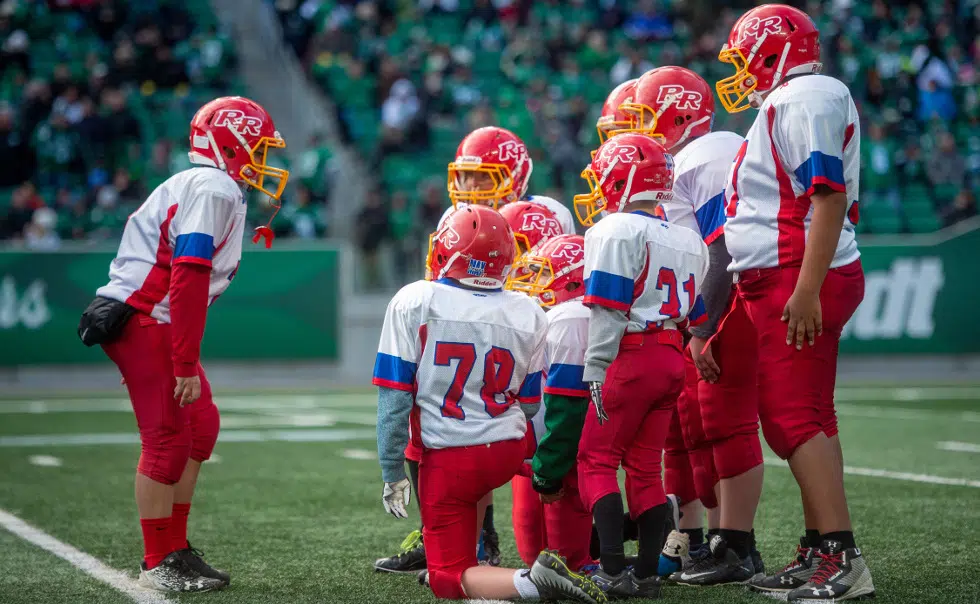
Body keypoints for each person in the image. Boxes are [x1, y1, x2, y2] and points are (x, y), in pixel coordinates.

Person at [80, 96, 289, 592]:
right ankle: (159, 561)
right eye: (257, 147)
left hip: (155, 317)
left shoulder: (212, 185)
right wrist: (185, 362)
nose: (264, 159)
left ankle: (174, 547)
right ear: (231, 143)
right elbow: (189, 274)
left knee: (200, 427)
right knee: (169, 440)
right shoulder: (212, 187)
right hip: (145, 316)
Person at [716, 5, 874, 601]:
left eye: (746, 58)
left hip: (796, 273)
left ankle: (841, 557)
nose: (742, 72)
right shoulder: (798, 97)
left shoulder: (806, 96)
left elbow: (826, 196)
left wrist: (806, 289)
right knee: (808, 414)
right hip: (784, 273)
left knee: (792, 419)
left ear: (773, 51)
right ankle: (818, 548)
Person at [373, 205, 605, 604]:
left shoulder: (416, 299)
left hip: (449, 458)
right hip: (506, 450)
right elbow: (531, 403)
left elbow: (395, 397)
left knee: (444, 577)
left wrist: (393, 470)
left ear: (448, 251)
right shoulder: (528, 310)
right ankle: (484, 567)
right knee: (466, 546)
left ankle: (535, 581)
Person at [620, 65, 766, 584]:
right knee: (693, 433)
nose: (639, 126)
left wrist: (704, 326)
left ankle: (738, 545)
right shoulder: (681, 160)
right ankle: (715, 542)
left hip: (724, 306)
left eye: (646, 115)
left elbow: (722, 244)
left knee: (725, 423)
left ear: (679, 112)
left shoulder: (707, 152)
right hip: (698, 313)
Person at [573, 133, 709, 599]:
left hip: (631, 355)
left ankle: (611, 569)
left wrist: (596, 365)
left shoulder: (615, 231)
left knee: (595, 461)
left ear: (624, 179)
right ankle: (647, 574)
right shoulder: (689, 238)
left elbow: (609, 308)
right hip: (672, 355)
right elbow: (701, 315)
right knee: (647, 471)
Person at [506, 234, 596, 573]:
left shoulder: (571, 319)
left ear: (573, 278)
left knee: (569, 560)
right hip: (551, 444)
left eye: (543, 274)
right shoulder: (552, 318)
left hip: (571, 441)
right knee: (534, 557)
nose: (533, 282)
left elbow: (566, 408)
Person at [439, 126, 575, 234]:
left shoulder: (548, 215)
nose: (472, 185)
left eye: (485, 176)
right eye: (467, 175)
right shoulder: (453, 218)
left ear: (516, 176)